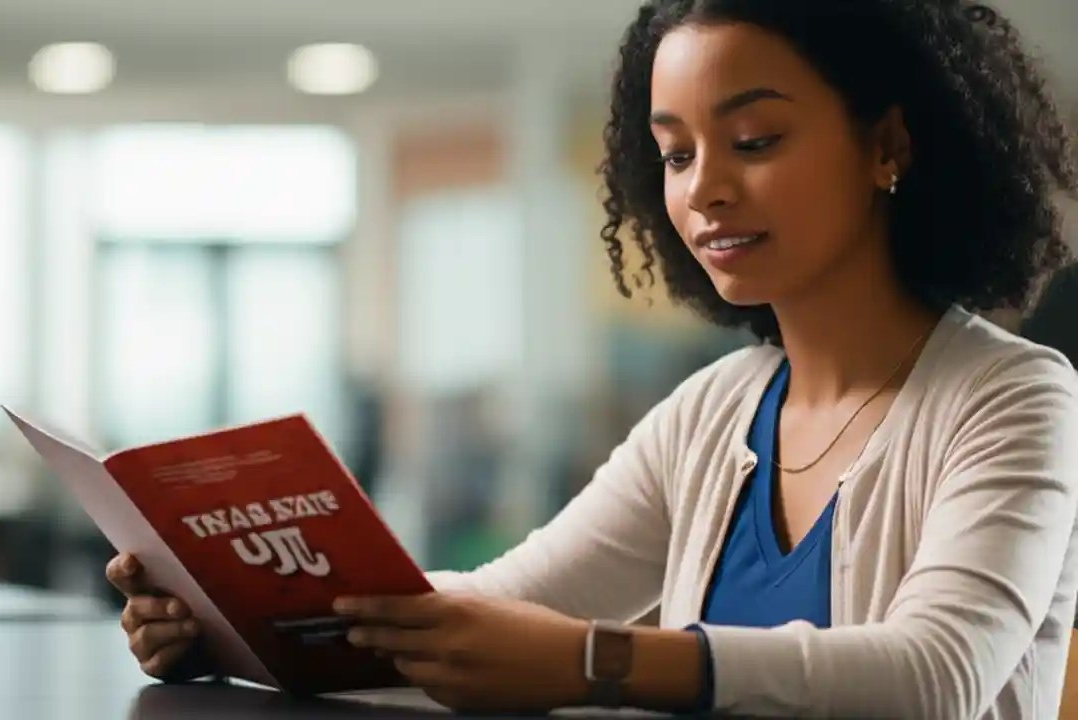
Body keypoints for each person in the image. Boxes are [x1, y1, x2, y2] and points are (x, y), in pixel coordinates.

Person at [106, 1, 1078, 716]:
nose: (705, 190)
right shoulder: (712, 412)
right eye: (676, 154)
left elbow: (935, 675)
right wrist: (235, 618)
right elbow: (501, 603)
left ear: (888, 145)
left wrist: (594, 663)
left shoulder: (1012, 396)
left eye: (753, 139)